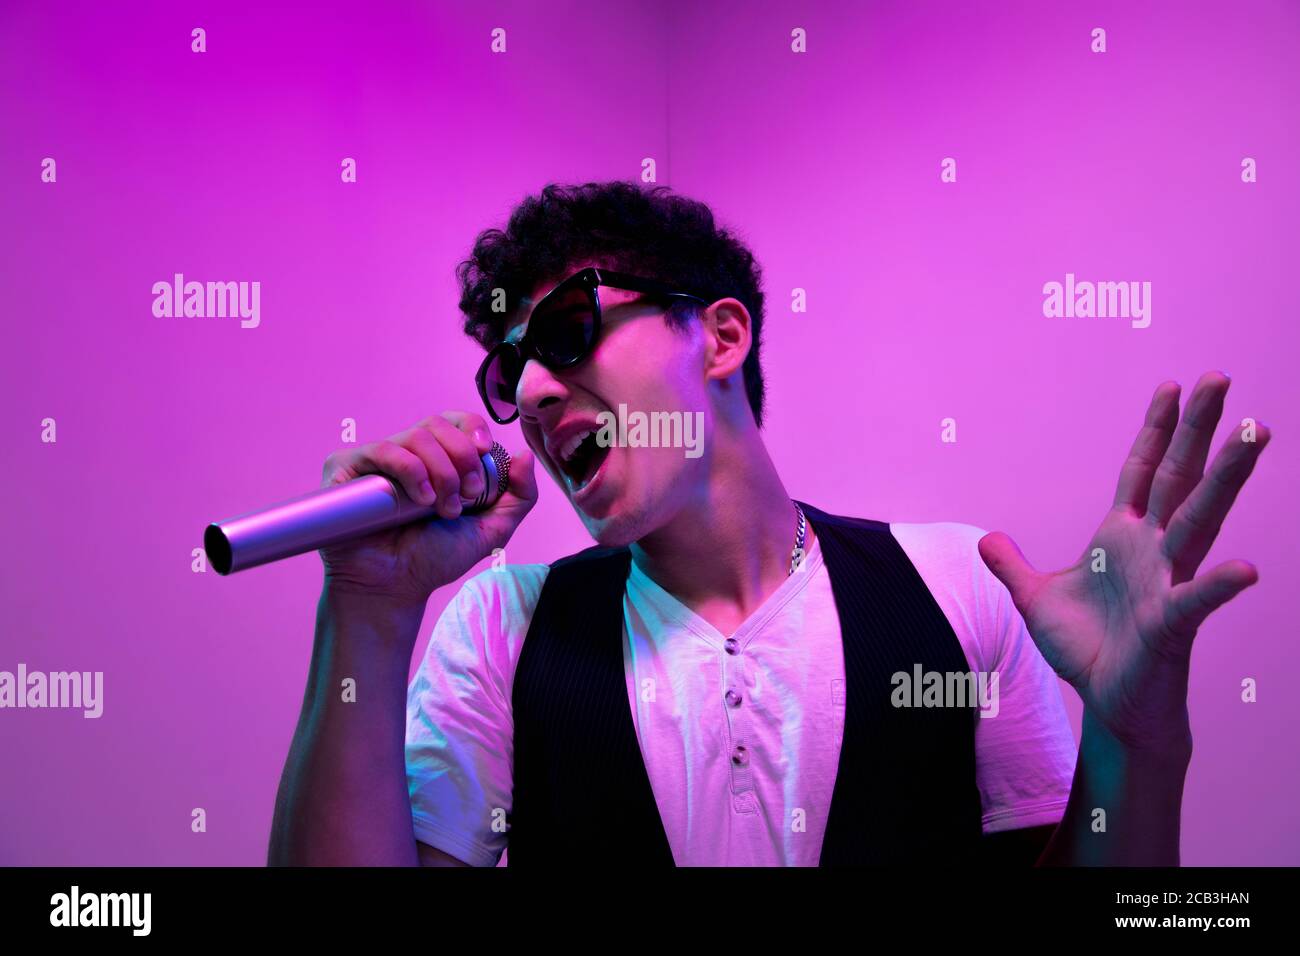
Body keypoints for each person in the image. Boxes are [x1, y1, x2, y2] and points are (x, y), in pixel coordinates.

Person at [267, 181, 1270, 867]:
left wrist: (1131, 739)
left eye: (567, 330)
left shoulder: (957, 584)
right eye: (507, 368)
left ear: (721, 335)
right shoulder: (501, 626)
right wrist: (368, 608)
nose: (529, 388)